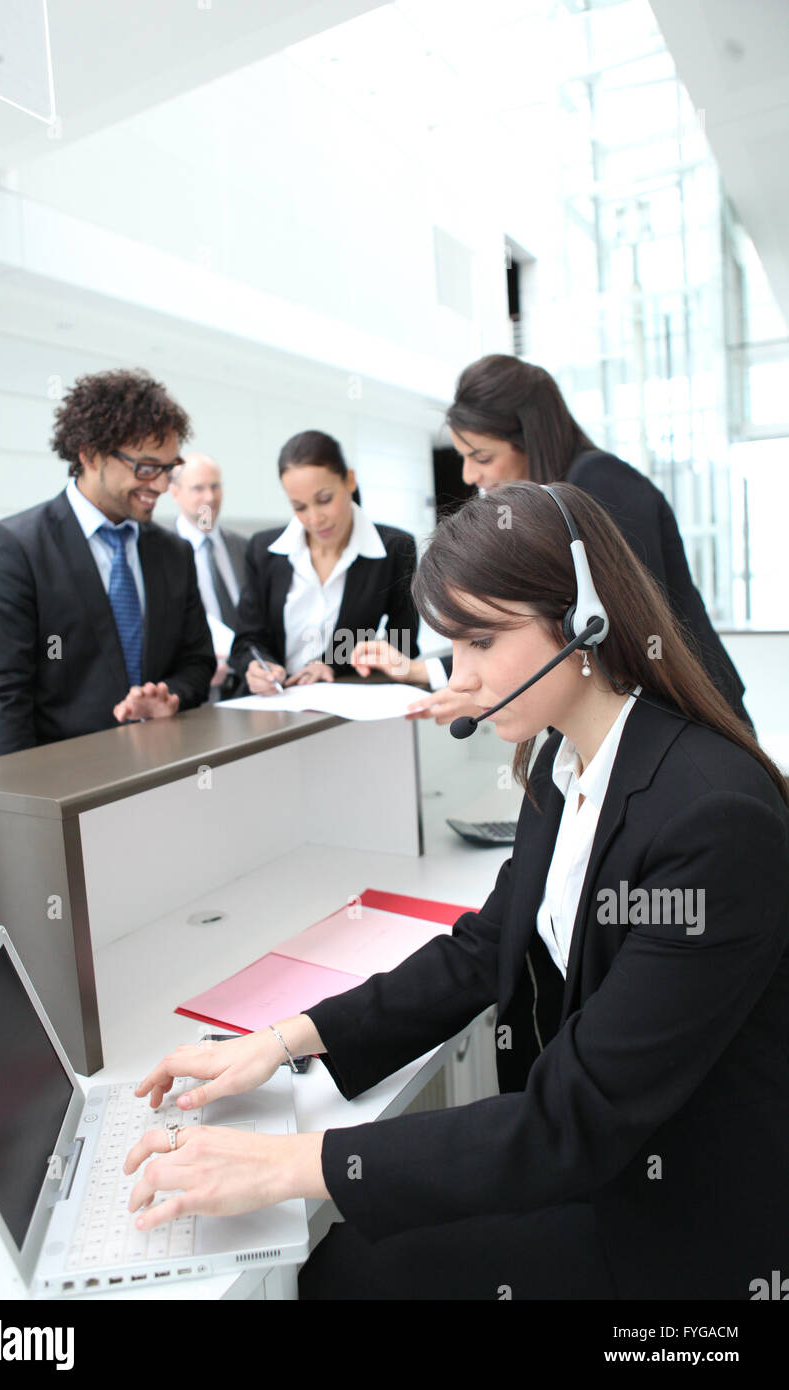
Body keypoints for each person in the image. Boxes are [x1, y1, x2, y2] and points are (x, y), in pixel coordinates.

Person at [123, 482, 787, 1300]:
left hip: (679, 1230)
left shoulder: (712, 819)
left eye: (479, 642)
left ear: (582, 620)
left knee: (340, 1271)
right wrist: (281, 1042)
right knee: (340, 1250)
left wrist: (287, 1164)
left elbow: (568, 1120)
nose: (459, 678)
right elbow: (484, 949)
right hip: (599, 1168)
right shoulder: (563, 759)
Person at [353, 354, 751, 731]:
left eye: (481, 457)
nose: (469, 474)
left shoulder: (602, 485)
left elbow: (620, 628)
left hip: (682, 712)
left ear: (529, 439)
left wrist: (496, 694)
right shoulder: (551, 507)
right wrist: (430, 672)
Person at [0, 369, 216, 758]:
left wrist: (171, 697)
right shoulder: (15, 549)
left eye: (168, 469)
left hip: (164, 770)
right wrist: (24, 806)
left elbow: (197, 663)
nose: (162, 486)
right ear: (89, 453)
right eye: (146, 468)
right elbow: (1, 698)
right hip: (66, 785)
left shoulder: (172, 552)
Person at [228, 431, 420, 694]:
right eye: (299, 506)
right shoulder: (263, 551)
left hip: (347, 701)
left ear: (349, 481)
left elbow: (403, 643)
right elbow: (246, 641)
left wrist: (332, 664)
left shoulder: (395, 549)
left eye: (324, 500)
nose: (315, 519)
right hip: (273, 704)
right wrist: (257, 666)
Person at [168, 453, 248, 696]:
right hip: (198, 690)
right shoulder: (161, 555)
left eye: (215, 486)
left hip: (249, 687)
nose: (210, 497)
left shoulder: (243, 548)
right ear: (175, 492)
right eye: (198, 488)